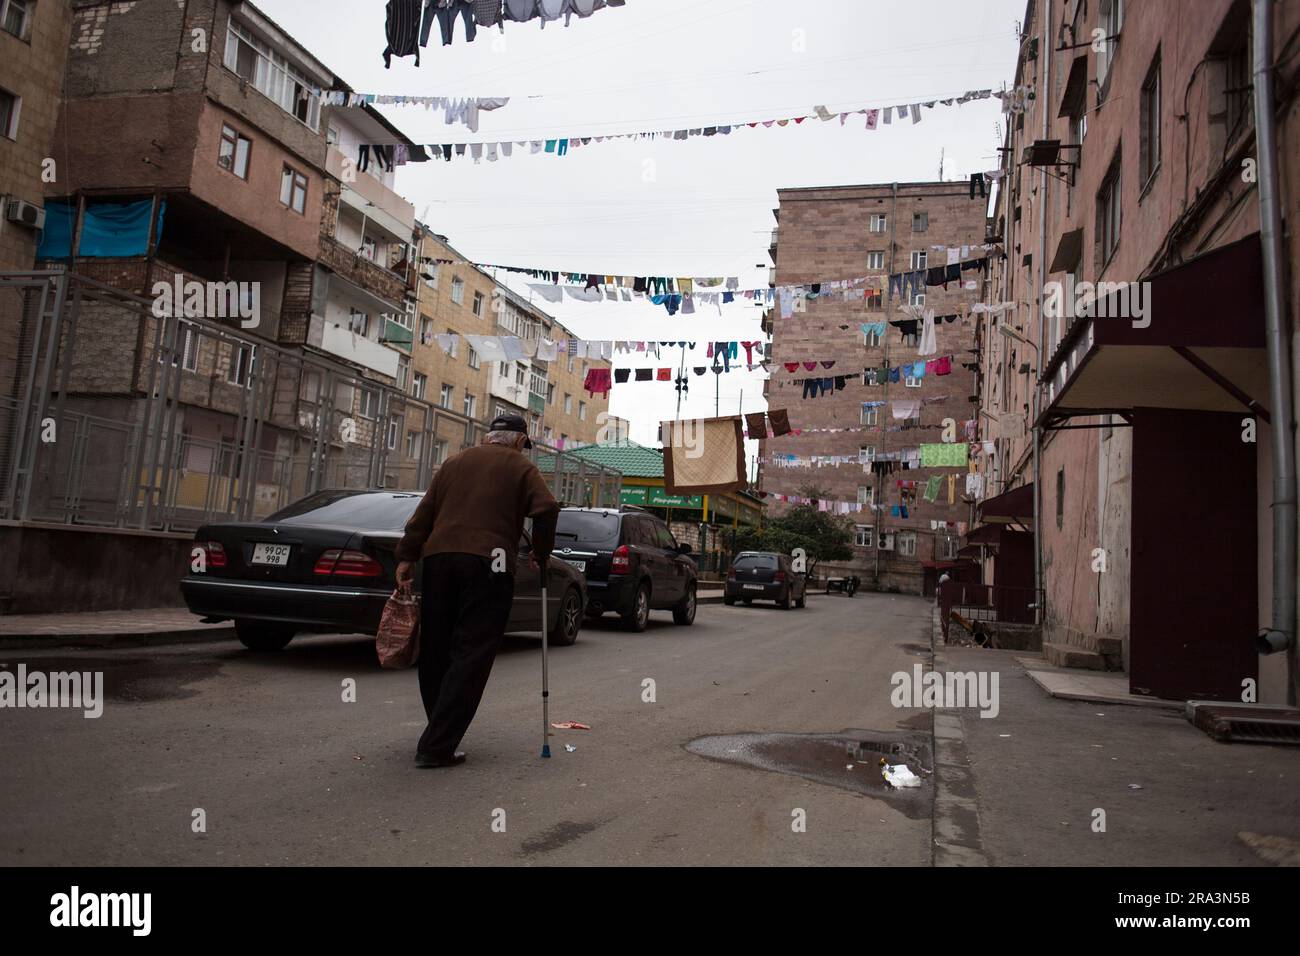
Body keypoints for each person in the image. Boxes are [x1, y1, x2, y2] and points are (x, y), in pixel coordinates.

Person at [394, 414, 559, 769]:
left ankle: (438, 729)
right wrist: (541, 553)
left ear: (489, 437)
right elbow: (546, 508)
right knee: (473, 651)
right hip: (492, 562)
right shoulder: (521, 466)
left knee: (437, 647)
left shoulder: (454, 462)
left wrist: (407, 556)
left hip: (438, 560)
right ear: (518, 441)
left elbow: (423, 514)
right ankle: (437, 744)